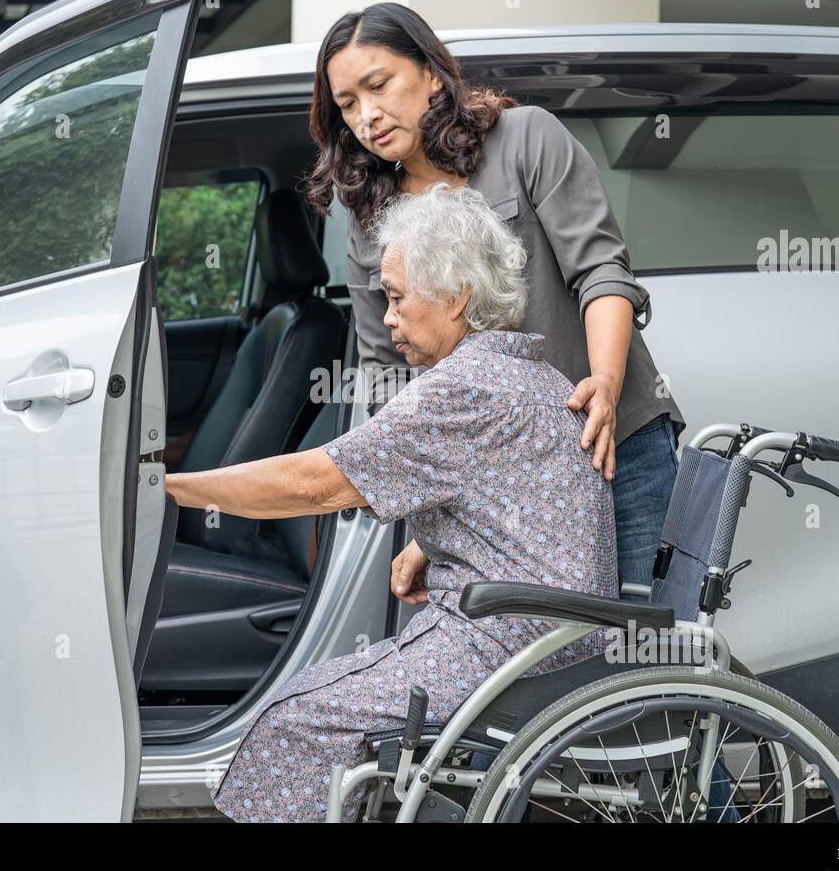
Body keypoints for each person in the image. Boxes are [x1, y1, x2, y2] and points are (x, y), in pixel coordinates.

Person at [166, 185, 619, 822]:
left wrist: (171, 487)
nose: (387, 319)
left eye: (399, 298)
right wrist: (426, 544)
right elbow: (502, 501)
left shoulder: (462, 389)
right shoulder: (534, 375)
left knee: (293, 723)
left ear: (457, 295)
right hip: (554, 638)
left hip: (510, 645)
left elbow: (313, 485)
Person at [305, 2, 685, 594]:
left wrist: (606, 387)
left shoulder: (526, 137)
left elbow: (603, 272)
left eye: (378, 85)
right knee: (535, 670)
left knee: (641, 656)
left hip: (614, 447)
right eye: (348, 104)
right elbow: (388, 376)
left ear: (432, 72)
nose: (367, 116)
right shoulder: (369, 217)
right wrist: (426, 520)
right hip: (497, 485)